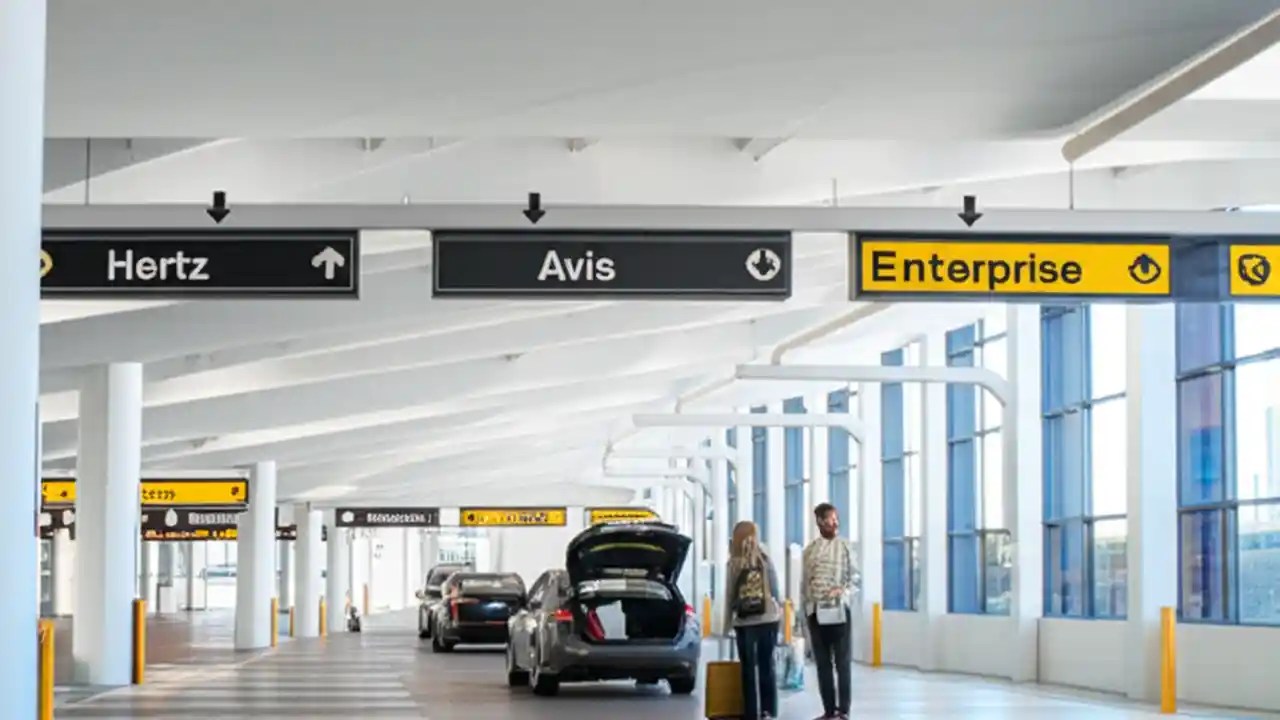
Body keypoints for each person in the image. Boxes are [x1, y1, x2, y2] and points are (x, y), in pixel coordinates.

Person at [801, 503, 858, 720]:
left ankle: (843, 710)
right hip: (816, 613)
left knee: (842, 664)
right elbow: (805, 584)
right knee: (823, 664)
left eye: (836, 519)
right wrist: (805, 613)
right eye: (830, 519)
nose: (835, 523)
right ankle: (828, 709)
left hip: (839, 612)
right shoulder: (810, 551)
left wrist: (843, 592)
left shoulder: (845, 547)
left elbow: (856, 578)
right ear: (820, 522)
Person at [723, 520, 782, 720]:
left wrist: (726, 626)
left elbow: (730, 596)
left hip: (744, 622)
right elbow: (775, 589)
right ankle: (769, 712)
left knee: (748, 670)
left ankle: (750, 713)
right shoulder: (765, 559)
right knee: (767, 666)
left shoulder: (733, 563)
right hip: (768, 619)